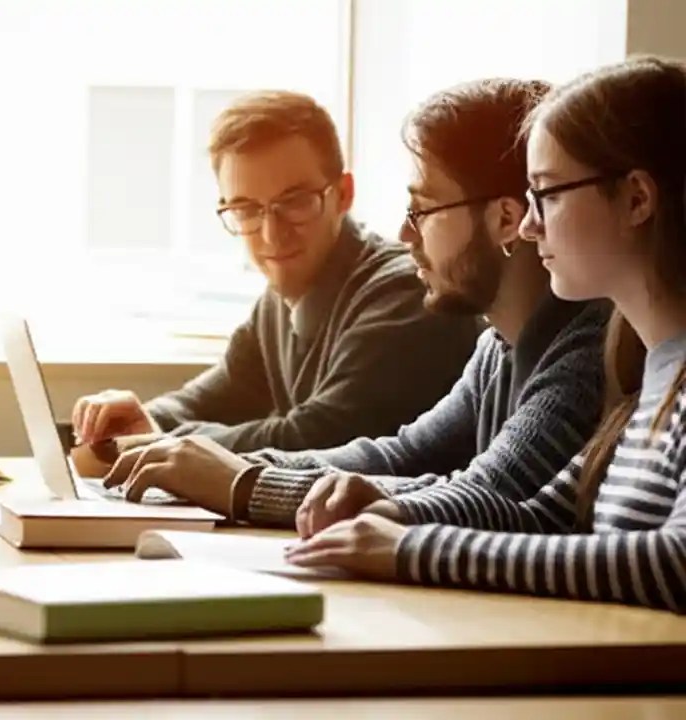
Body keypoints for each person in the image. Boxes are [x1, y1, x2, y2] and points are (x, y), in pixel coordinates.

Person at [100, 79, 611, 531]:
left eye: (423, 210)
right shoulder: (498, 349)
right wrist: (195, 459)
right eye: (247, 209)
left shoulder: (585, 353)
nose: (405, 233)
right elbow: (399, 454)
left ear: (505, 218)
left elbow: (488, 494)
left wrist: (241, 482)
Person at [286, 56, 686, 614]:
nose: (528, 224)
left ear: (637, 199)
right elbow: (542, 516)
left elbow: (674, 563)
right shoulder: (645, 378)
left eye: (546, 194)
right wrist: (393, 510)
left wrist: (412, 548)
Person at [69, 90, 481, 467]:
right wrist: (132, 420)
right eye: (247, 209)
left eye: (295, 202)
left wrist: (153, 438)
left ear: (343, 194)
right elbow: (212, 397)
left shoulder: (405, 290)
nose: (271, 234)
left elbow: (313, 437)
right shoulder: (278, 302)